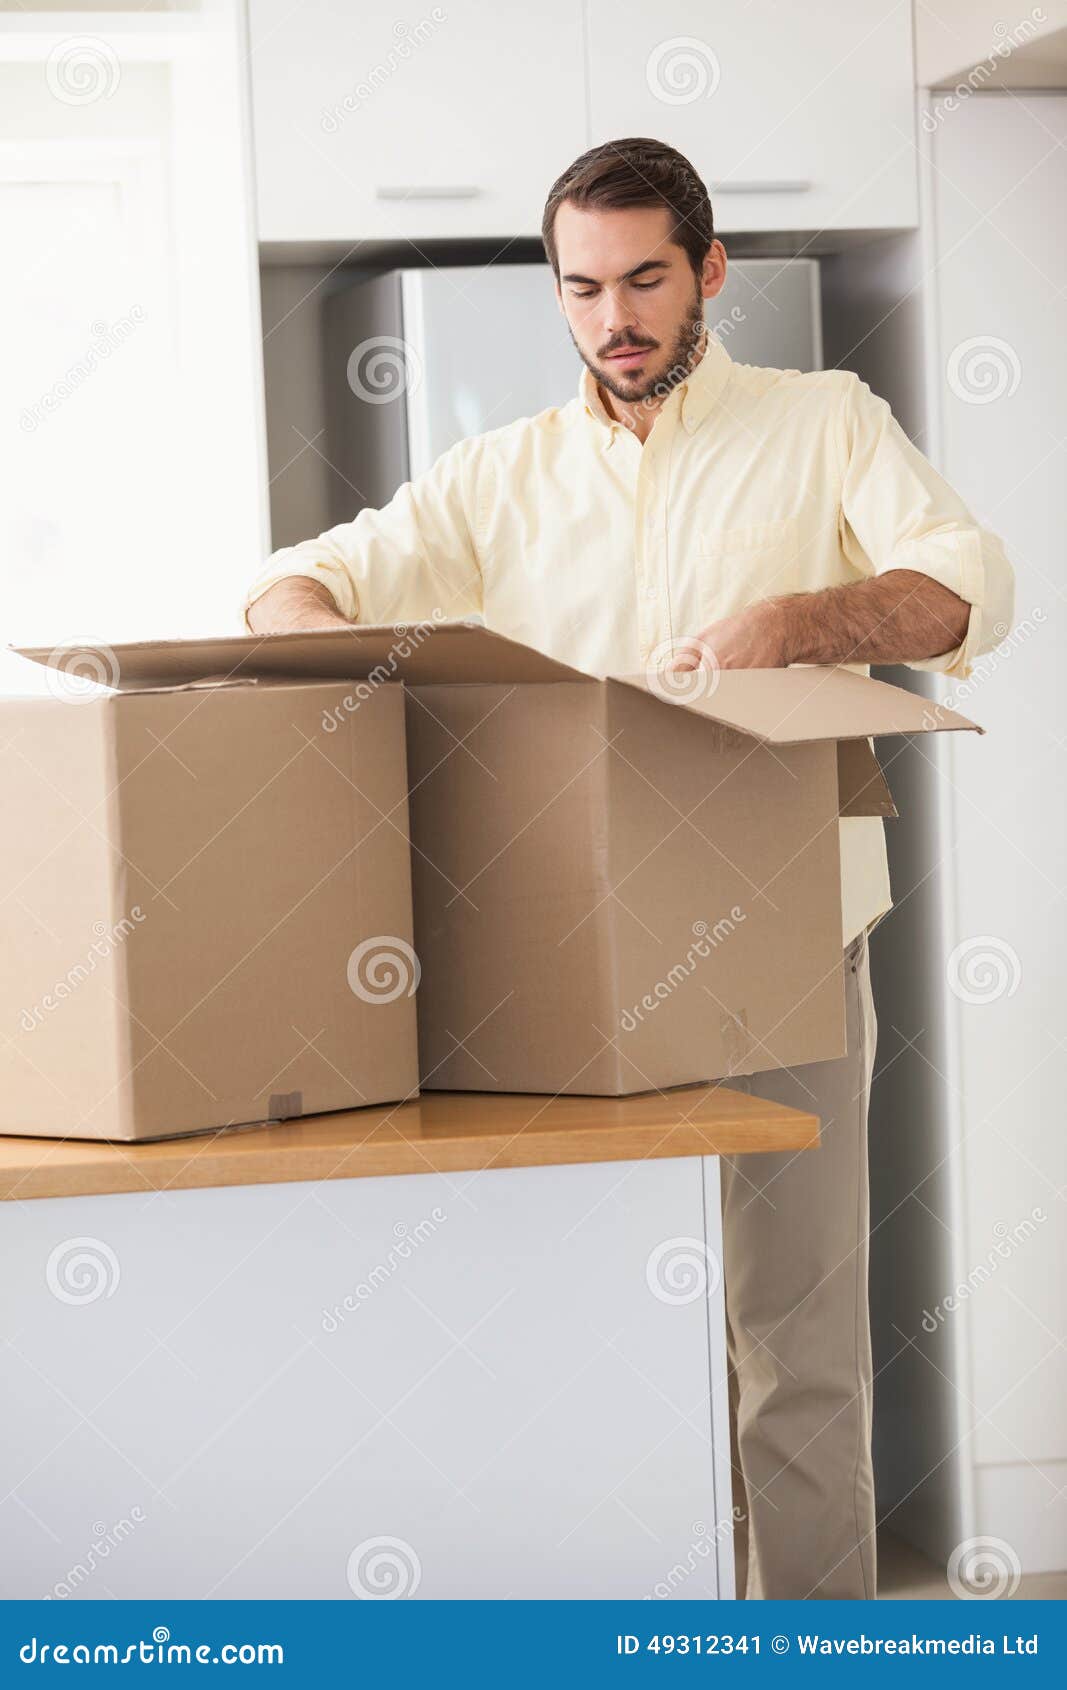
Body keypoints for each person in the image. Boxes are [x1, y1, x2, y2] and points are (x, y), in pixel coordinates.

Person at [243, 137, 1014, 1599]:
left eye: (647, 277)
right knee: (596, 1338)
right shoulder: (494, 477)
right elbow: (311, 576)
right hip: (561, 967)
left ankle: (814, 1642)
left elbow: (966, 584)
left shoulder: (822, 423)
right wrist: (310, 642)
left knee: (797, 1339)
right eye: (584, 286)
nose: (617, 316)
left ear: (709, 271)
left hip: (784, 941)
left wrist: (794, 619)